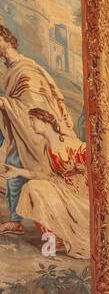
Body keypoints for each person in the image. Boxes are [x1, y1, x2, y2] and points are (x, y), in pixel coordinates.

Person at [0, 23, 90, 258]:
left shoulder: (26, 69)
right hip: (19, 128)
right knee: (14, 165)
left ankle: (52, 230)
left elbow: (34, 105)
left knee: (34, 176)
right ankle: (16, 220)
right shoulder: (9, 69)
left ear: (6, 40)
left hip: (33, 133)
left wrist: (7, 104)